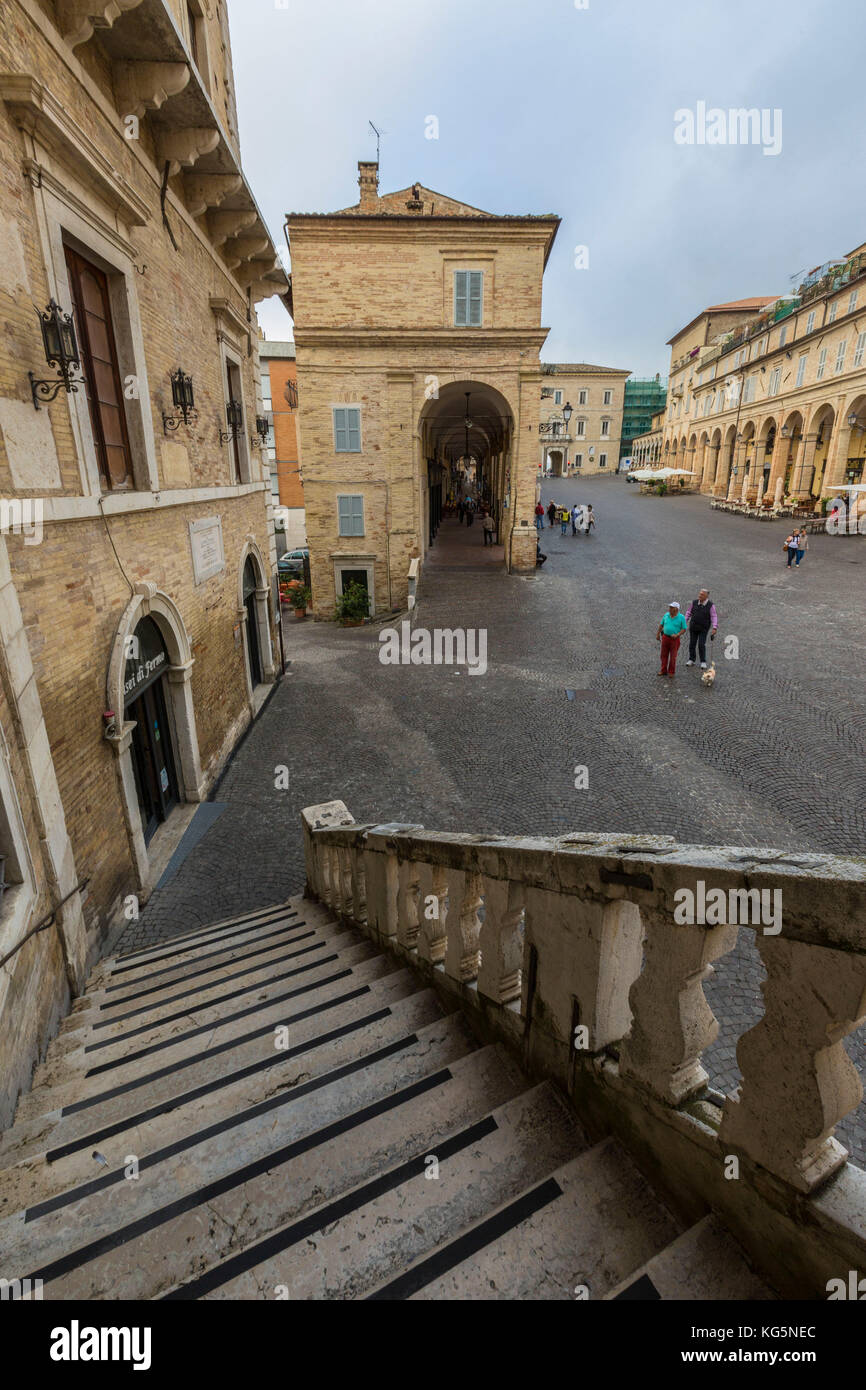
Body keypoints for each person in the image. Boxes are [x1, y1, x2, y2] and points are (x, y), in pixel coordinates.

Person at [685, 589, 719, 669]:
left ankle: (703, 661)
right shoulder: (694, 602)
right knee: (692, 644)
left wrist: (715, 627)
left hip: (703, 628)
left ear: (707, 596)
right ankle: (691, 659)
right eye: (699, 594)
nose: (699, 596)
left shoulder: (710, 605)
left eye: (702, 595)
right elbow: (688, 613)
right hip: (693, 626)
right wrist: (684, 621)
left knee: (701, 644)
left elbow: (714, 616)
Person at [656, 601, 688, 678]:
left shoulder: (681, 617)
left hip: (675, 639)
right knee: (663, 655)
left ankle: (671, 671)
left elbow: (684, 629)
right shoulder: (666, 615)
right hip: (665, 637)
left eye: (671, 608)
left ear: (676, 609)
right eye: (670, 607)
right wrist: (658, 634)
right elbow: (661, 625)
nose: (669, 609)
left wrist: (677, 634)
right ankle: (663, 670)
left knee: (673, 656)